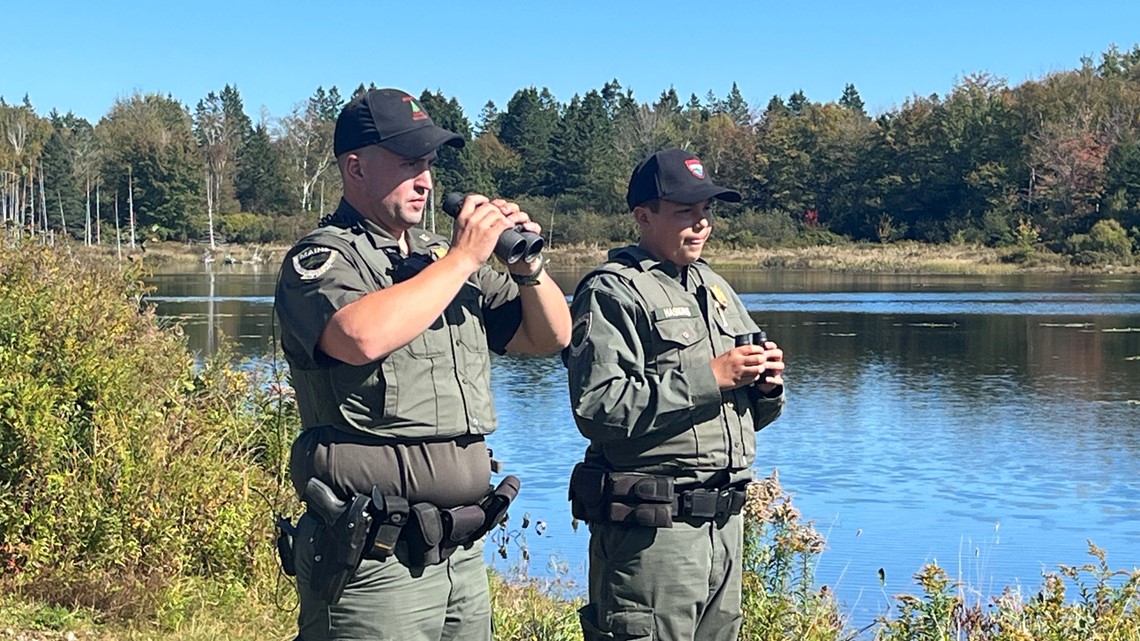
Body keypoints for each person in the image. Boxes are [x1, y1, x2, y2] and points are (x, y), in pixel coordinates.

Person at [274, 88, 571, 641]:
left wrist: (527, 266)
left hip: (459, 553)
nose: (426, 181)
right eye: (409, 163)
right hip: (373, 559)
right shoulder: (323, 258)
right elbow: (358, 336)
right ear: (355, 167)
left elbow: (550, 336)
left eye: (430, 164)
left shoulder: (441, 260)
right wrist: (464, 258)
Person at [562, 148, 786, 641]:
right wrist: (713, 377)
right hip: (653, 537)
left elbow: (739, 414)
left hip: (724, 528)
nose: (701, 224)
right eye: (685, 211)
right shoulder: (612, 292)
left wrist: (765, 387)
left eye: (706, 211)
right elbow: (598, 409)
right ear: (644, 217)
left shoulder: (715, 287)